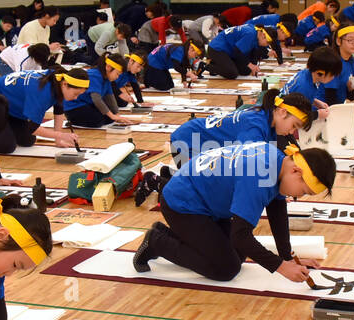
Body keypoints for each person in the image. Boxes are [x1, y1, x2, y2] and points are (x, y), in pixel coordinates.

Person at [133, 140, 335, 283]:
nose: (300, 197)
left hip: (206, 202)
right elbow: (240, 236)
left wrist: (288, 257)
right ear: (296, 172)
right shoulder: (258, 175)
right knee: (226, 269)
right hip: (182, 204)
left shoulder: (278, 160)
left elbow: (277, 210)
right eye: (303, 191)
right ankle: (157, 242)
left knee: (238, 255)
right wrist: (281, 267)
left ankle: (172, 235)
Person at [168, 89, 312, 165]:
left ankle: (168, 176)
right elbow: (245, 164)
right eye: (294, 126)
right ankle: (160, 183)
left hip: (194, 137)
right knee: (205, 190)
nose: (292, 132)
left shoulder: (266, 117)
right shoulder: (255, 126)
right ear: (282, 112)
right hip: (187, 142)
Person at [0, 67, 84, 154]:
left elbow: (59, 111)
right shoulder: (42, 91)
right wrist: (60, 135)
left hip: (10, 107)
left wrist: (58, 140)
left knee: (28, 140)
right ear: (65, 84)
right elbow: (33, 127)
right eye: (75, 94)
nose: (76, 98)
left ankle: (4, 124)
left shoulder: (57, 82)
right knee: (6, 147)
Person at [63, 56, 140, 128]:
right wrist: (113, 116)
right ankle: (73, 121)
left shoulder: (107, 78)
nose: (117, 77)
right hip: (74, 107)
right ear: (108, 67)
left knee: (109, 118)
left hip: (87, 104)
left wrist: (117, 115)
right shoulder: (95, 75)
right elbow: (96, 99)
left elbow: (110, 96)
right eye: (117, 74)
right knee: (98, 120)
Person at [207, 22, 276, 79]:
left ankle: (218, 65)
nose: (266, 45)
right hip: (216, 49)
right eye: (267, 43)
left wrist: (254, 69)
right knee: (232, 73)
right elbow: (237, 51)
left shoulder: (256, 34)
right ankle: (207, 66)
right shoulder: (250, 34)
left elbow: (253, 53)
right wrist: (250, 65)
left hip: (229, 51)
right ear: (263, 35)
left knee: (246, 71)